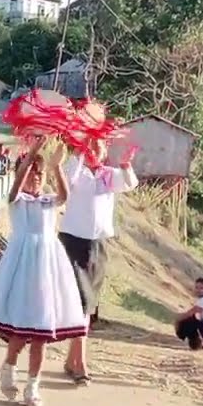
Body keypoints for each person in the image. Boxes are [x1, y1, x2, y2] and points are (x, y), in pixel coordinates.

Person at [0, 140, 86, 406]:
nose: (35, 177)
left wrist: (56, 167)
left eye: (39, 174)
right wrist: (29, 157)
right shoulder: (17, 201)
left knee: (41, 332)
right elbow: (15, 187)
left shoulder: (48, 202)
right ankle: (9, 363)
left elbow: (65, 196)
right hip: (22, 267)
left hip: (47, 267)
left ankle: (33, 387)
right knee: (21, 330)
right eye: (30, 172)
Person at [57, 139, 137, 384]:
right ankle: (80, 364)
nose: (93, 150)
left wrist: (125, 165)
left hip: (98, 244)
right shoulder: (76, 169)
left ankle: (72, 361)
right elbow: (67, 180)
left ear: (104, 151)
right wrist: (80, 153)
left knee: (89, 305)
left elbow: (130, 184)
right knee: (80, 300)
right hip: (73, 241)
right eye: (88, 146)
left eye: (97, 146)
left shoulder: (109, 175)